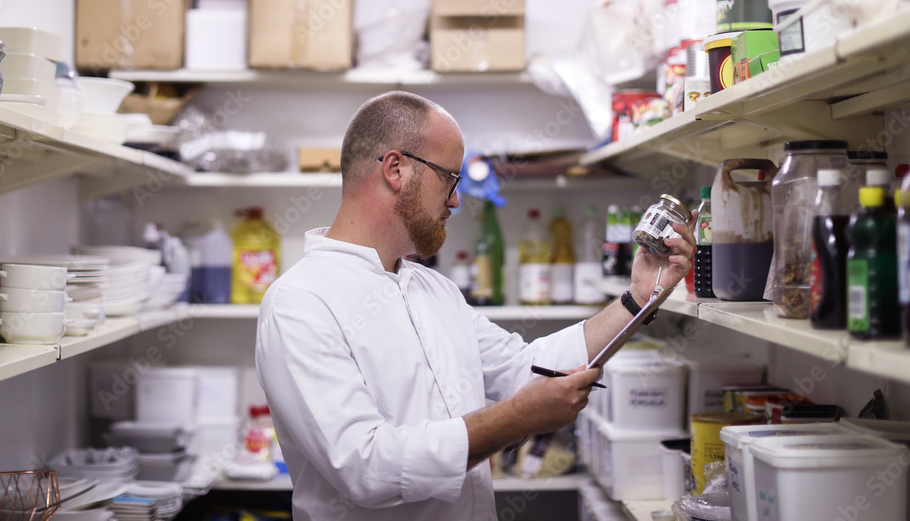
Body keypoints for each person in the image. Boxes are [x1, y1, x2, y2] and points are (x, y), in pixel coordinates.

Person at [255, 91, 696, 521]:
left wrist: (640, 297)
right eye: (449, 177)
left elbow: (530, 368)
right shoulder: (299, 303)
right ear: (396, 169)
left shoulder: (435, 290)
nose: (455, 200)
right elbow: (367, 468)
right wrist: (515, 418)